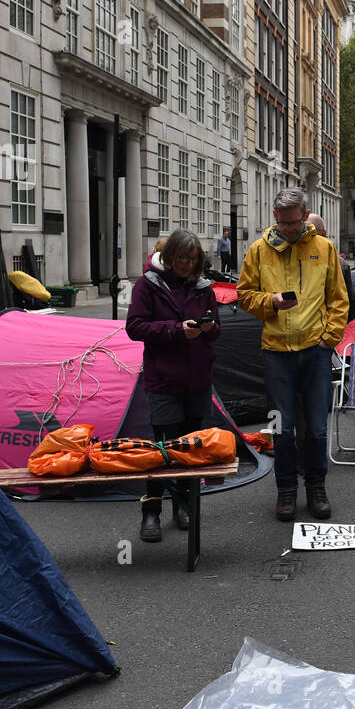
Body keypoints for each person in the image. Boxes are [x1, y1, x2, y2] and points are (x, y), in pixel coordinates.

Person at [238, 189, 348, 522]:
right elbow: (244, 296)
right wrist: (270, 302)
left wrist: (329, 340)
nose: (288, 229)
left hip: (315, 352)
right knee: (282, 429)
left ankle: (316, 487)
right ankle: (286, 490)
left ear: (305, 215)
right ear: (275, 216)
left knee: (315, 428)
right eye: (282, 223)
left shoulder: (324, 249)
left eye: (294, 222)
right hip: (276, 352)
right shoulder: (258, 251)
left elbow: (338, 299)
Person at [125, 229, 221, 542]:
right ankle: (151, 512)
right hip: (164, 379)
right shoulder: (147, 284)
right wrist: (175, 330)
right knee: (163, 448)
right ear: (169, 256)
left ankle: (184, 506)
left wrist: (207, 327)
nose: (188, 264)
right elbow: (135, 327)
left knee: (189, 448)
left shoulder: (204, 287)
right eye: (183, 258)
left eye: (194, 260)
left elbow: (216, 330)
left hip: (197, 378)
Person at [307, 212, 355, 321]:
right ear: (324, 233)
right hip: (328, 331)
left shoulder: (292, 260)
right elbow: (350, 306)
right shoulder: (341, 264)